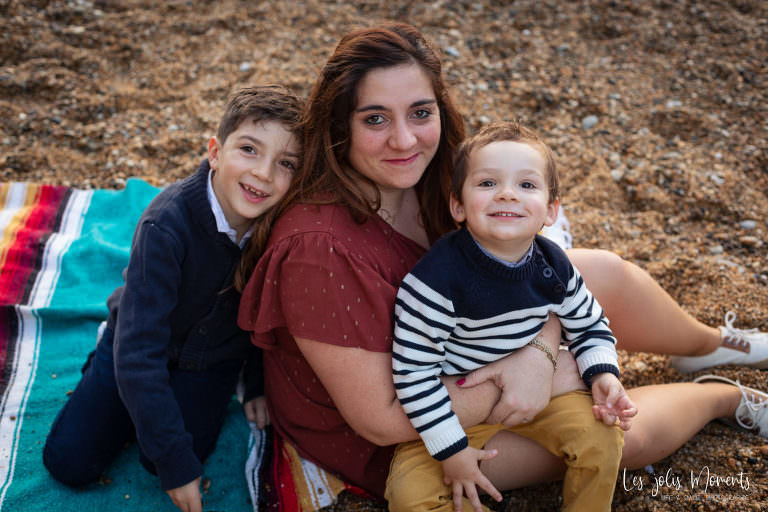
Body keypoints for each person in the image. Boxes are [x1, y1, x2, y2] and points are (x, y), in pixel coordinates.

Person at [237, 22, 768, 512]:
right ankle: (721, 395)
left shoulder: (435, 172)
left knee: (601, 272)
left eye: (420, 112)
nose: (404, 139)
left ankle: (705, 344)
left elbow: (542, 270)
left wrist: (541, 350)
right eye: (375, 119)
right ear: (339, 125)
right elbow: (382, 420)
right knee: (619, 434)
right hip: (412, 427)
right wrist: (527, 376)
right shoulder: (317, 251)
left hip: (469, 341)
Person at [43, 85, 303, 512]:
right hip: (138, 347)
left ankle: (150, 411)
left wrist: (256, 384)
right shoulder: (165, 225)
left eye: (285, 163)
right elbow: (138, 351)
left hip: (214, 360)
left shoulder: (281, 231)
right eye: (250, 150)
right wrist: (173, 462)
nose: (264, 174)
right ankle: (106, 382)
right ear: (215, 152)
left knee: (170, 455)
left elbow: (265, 313)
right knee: (69, 462)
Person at [391, 121, 637, 512]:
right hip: (458, 415)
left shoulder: (554, 264)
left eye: (526, 185)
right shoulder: (436, 280)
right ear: (458, 204)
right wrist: (451, 450)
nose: (507, 194)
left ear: (551, 210)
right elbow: (413, 373)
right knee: (408, 495)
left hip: (543, 395)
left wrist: (605, 374)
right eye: (488, 184)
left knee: (603, 437)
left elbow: (588, 322)